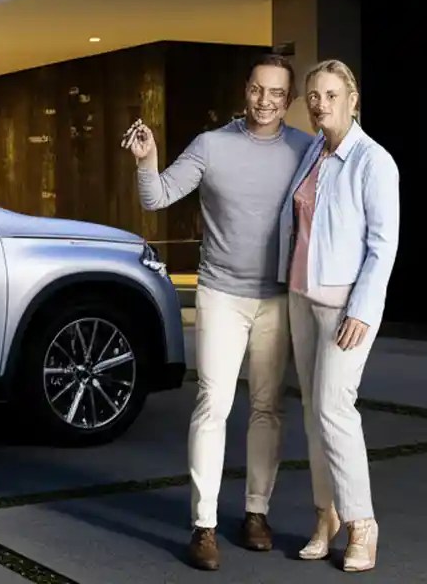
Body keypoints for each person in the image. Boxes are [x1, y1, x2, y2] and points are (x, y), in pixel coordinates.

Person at [124, 54, 314, 571]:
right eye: (258, 89)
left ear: (290, 99)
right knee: (213, 404)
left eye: (277, 93)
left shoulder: (305, 149)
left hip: (278, 297)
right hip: (222, 294)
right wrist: (147, 158)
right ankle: (203, 525)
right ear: (245, 90)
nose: (266, 100)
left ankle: (257, 512)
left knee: (269, 407)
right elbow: (157, 197)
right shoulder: (212, 145)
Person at [277, 59, 399, 573]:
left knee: (334, 409)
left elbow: (383, 245)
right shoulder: (312, 152)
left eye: (330, 94)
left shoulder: (374, 161)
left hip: (346, 307)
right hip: (302, 298)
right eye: (313, 95)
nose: (319, 103)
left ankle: (362, 525)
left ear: (352, 99)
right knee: (312, 415)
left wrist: (364, 310)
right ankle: (324, 515)